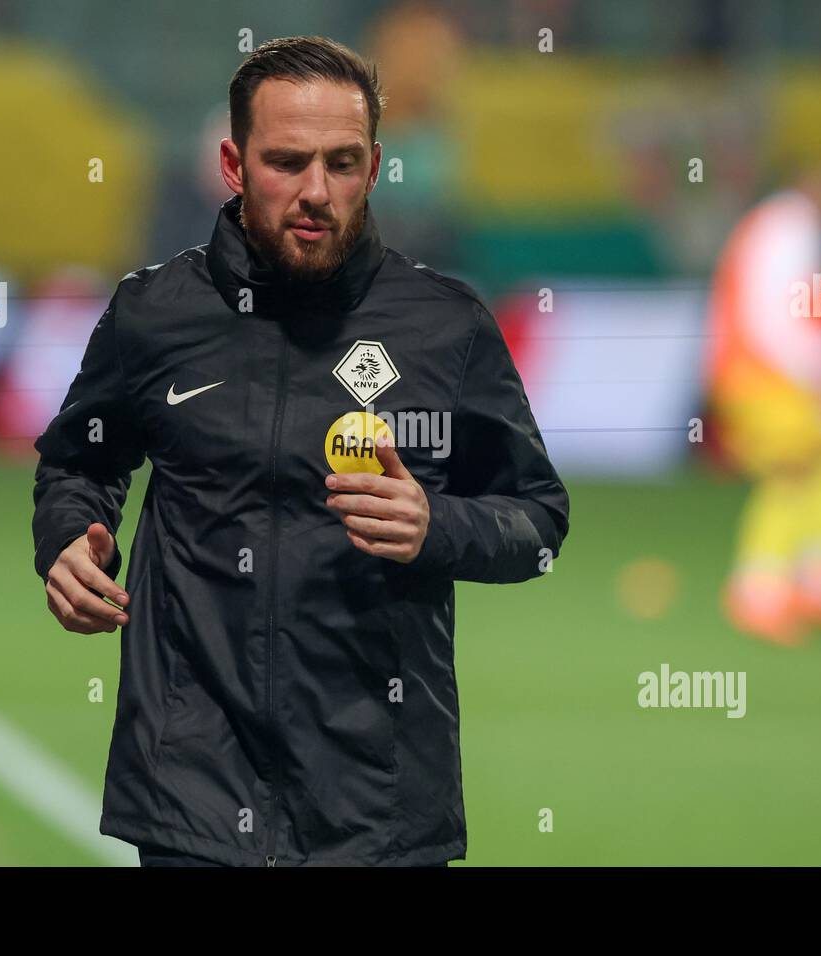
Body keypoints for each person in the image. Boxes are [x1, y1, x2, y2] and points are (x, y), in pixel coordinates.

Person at [31, 36, 569, 866]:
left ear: (377, 164)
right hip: (191, 792)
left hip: (379, 806)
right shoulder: (156, 314)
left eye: (343, 163)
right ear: (234, 163)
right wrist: (68, 539)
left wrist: (437, 526)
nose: (317, 192)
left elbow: (536, 523)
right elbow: (81, 460)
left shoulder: (444, 327)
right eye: (287, 161)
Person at [704, 170, 821, 646]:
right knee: (794, 472)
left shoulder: (775, 225)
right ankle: (757, 590)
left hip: (764, 372)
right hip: (766, 374)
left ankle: (817, 580)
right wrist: (815, 370)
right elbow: (776, 311)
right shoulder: (791, 227)